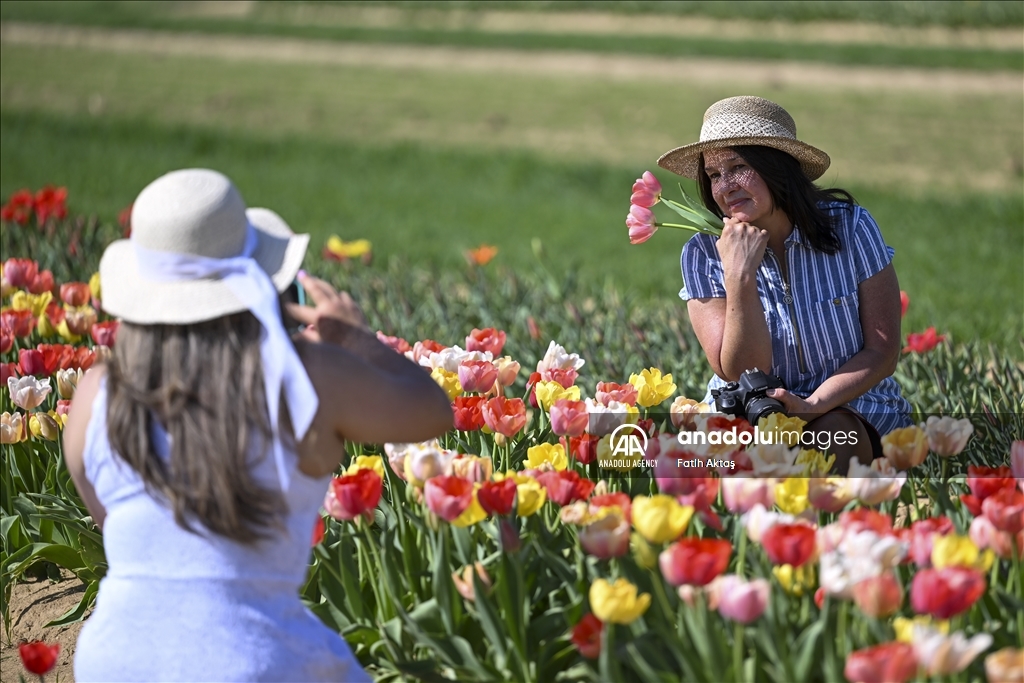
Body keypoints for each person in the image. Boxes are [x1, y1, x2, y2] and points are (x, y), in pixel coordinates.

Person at [63, 168, 454, 681]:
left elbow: (124, 529)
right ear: (254, 274)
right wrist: (357, 339)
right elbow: (432, 410)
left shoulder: (95, 394)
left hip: (113, 657)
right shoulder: (304, 377)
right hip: (253, 659)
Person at [658, 95, 911, 471]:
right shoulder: (703, 254)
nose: (725, 187)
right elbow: (741, 369)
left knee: (831, 439)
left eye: (738, 166)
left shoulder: (851, 228)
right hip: (753, 418)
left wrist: (812, 406)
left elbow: (882, 353)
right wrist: (739, 275)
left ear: (776, 167)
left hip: (850, 406)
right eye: (713, 175)